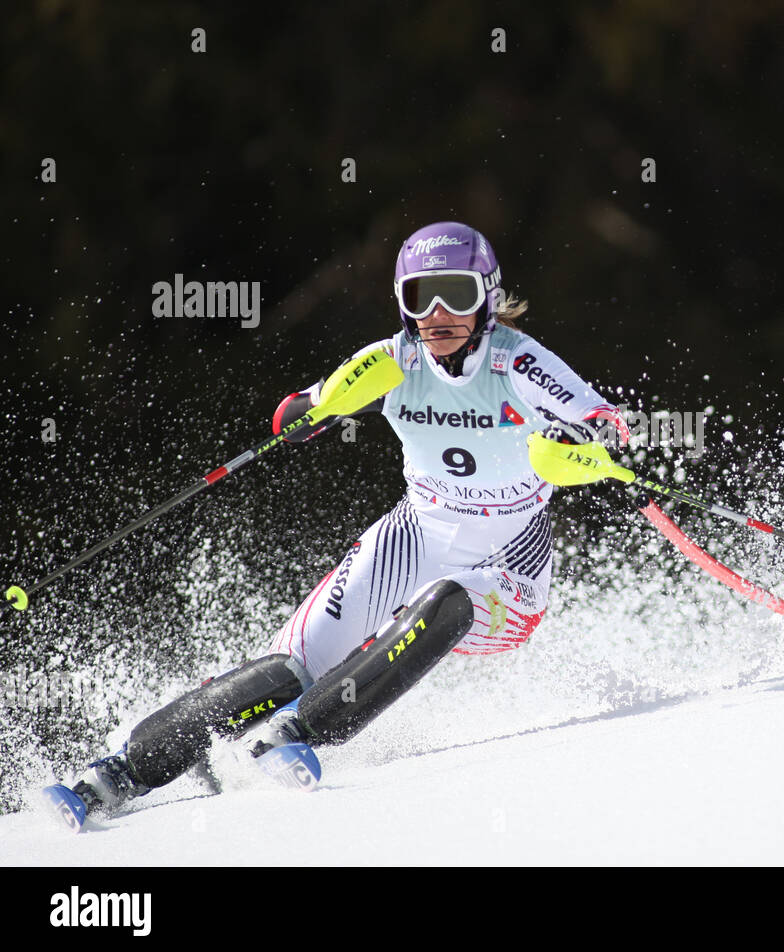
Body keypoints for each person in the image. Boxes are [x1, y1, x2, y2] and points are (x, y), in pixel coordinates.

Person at [62, 221, 628, 816]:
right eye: (418, 296)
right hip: (415, 533)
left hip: (508, 561)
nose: (437, 313)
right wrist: (315, 412)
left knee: (448, 599)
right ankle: (121, 771)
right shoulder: (393, 360)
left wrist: (583, 446)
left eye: (456, 295)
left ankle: (297, 735)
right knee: (287, 669)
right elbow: (294, 411)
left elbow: (606, 422)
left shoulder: (517, 362)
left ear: (487, 296)